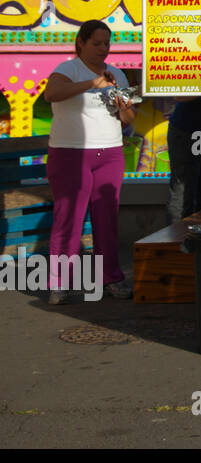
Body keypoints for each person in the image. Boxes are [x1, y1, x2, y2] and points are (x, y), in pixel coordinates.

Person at [41, 19, 136, 303]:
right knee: (69, 217)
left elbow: (129, 118)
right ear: (81, 42)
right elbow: (51, 94)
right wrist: (92, 83)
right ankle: (59, 283)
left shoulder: (116, 73)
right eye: (96, 43)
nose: (103, 49)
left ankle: (110, 278)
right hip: (71, 152)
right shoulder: (67, 70)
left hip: (110, 152)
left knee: (106, 218)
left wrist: (123, 108)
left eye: (106, 44)